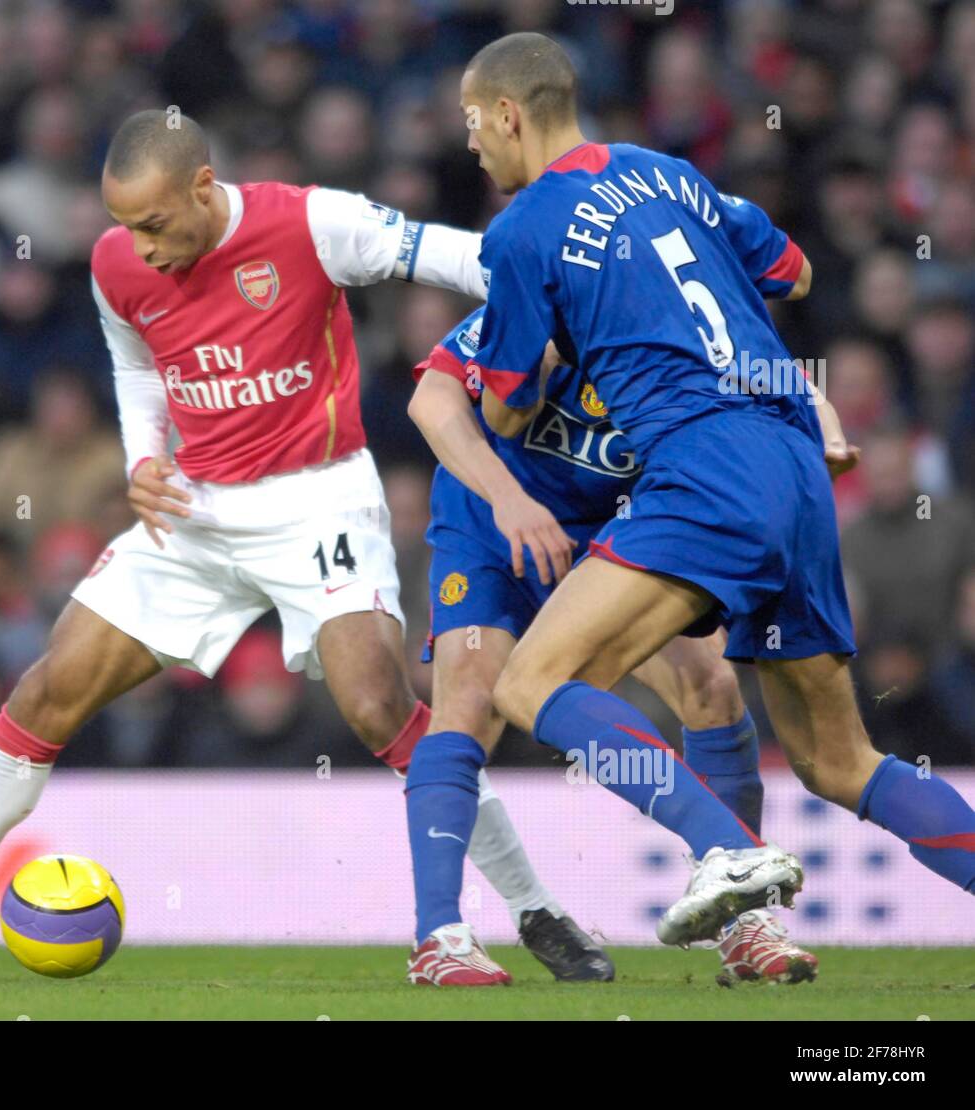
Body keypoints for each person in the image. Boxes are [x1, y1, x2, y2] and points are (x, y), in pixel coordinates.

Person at [0, 109, 605, 982]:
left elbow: (465, 259)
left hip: (319, 499)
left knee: (377, 707)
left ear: (202, 188)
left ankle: (538, 911)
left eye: (153, 223)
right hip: (195, 509)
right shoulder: (115, 266)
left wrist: (579, 313)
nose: (140, 248)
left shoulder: (311, 223)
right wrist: (145, 458)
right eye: (124, 226)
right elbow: (137, 366)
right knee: (45, 690)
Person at [405, 32, 974, 964]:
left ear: (507, 114)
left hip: (702, 471)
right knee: (839, 761)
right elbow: (793, 271)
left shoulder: (522, 232)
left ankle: (722, 853)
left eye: (473, 124)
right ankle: (744, 897)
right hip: (795, 462)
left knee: (531, 681)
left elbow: (502, 406)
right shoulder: (672, 175)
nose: (471, 145)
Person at [407, 305, 824, 984]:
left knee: (710, 686)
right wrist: (509, 498)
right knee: (469, 703)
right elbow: (431, 399)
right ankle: (440, 937)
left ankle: (746, 924)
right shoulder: (544, 301)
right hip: (489, 520)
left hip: (612, 534)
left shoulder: (701, 338)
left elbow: (792, 391)